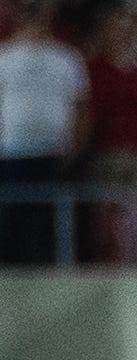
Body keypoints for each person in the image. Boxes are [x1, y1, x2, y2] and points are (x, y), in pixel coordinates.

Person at [0, 2, 88, 263]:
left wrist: (75, 147)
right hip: (10, 152)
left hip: (54, 150)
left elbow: (81, 107)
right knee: (10, 220)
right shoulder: (4, 57)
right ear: (19, 21)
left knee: (45, 222)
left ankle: (46, 269)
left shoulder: (66, 58)